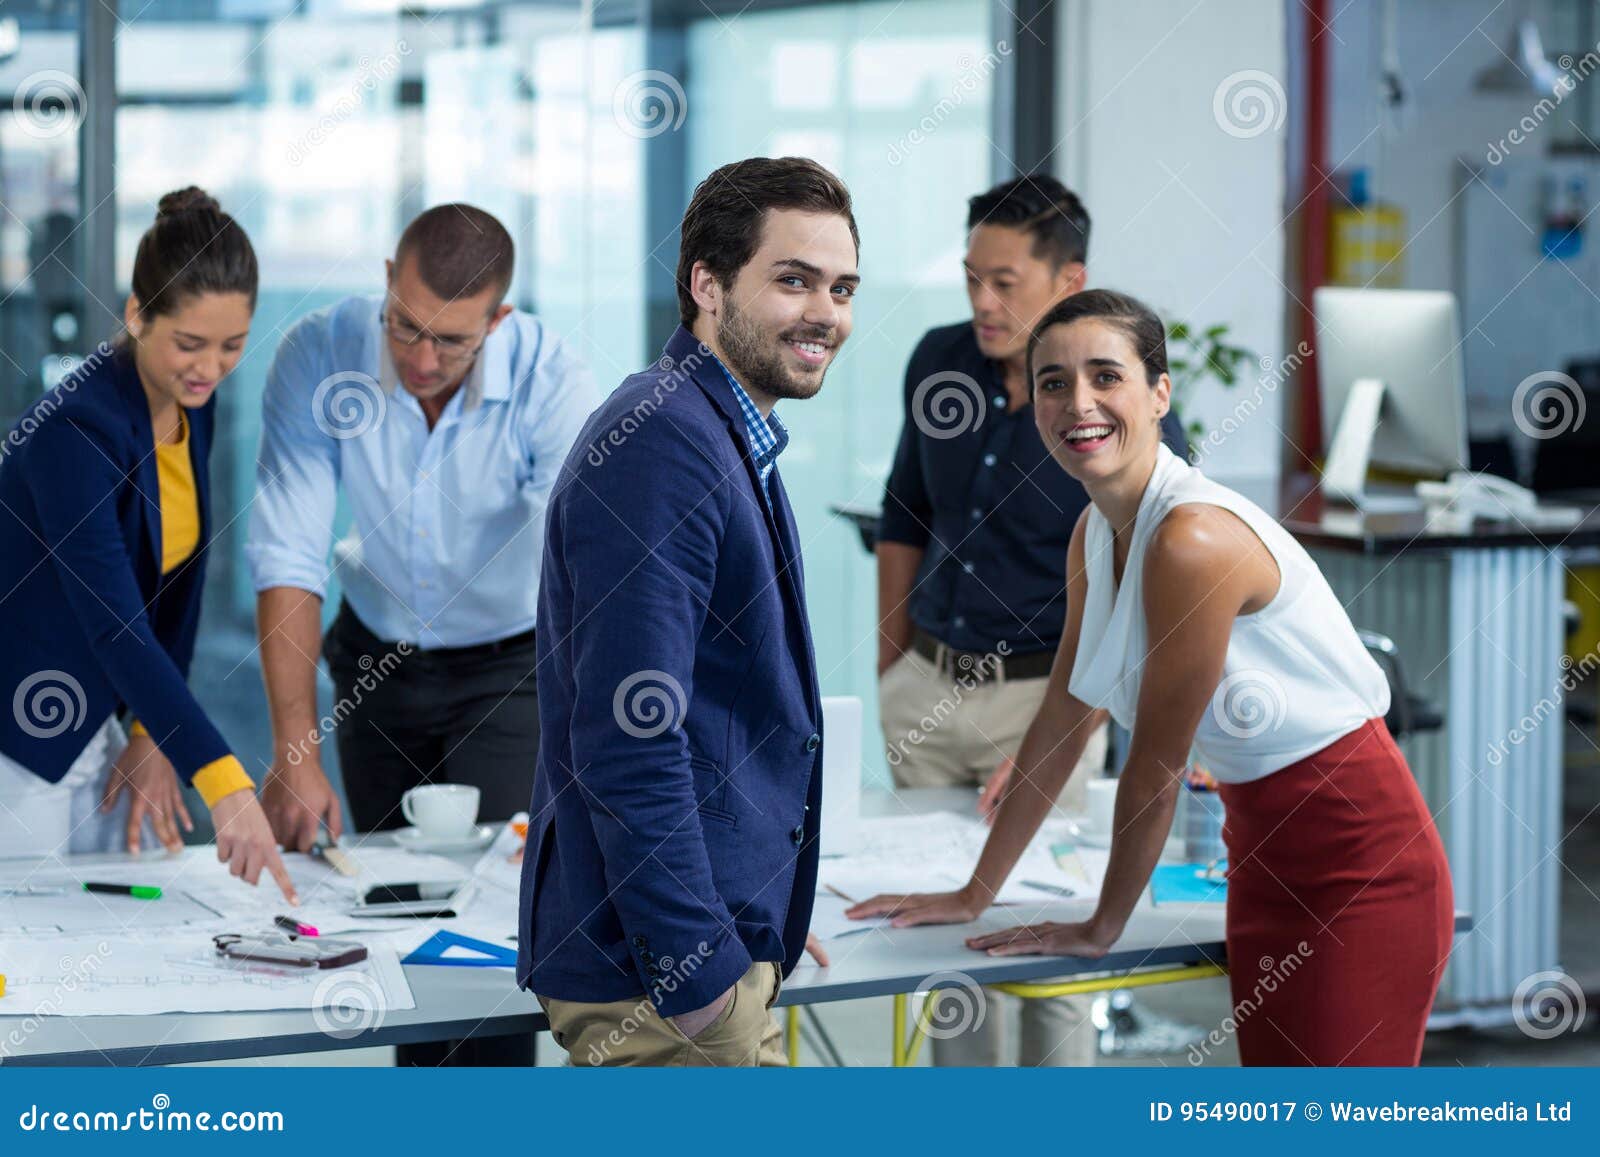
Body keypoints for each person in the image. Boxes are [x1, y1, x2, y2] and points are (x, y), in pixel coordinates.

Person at [852, 289, 1454, 1066]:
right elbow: (1065, 715)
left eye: (1107, 376)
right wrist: (977, 891)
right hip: (1261, 860)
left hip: (1359, 863)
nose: (1080, 402)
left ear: (1159, 393)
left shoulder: (1191, 539)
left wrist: (1102, 927)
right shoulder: (1094, 530)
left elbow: (1157, 766)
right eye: (1054, 382)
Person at [518, 156, 857, 1066]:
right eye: (794, 280)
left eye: (841, 288)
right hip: (662, 982)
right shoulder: (662, 444)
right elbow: (629, 735)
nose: (825, 313)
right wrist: (703, 976)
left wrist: (759, 912)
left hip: (706, 949)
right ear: (708, 285)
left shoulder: (715, 429)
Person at [246, 203, 596, 1067]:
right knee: (399, 927)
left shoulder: (550, 377)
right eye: (404, 325)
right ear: (386, 283)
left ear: (498, 321)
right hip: (378, 661)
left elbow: (584, 566)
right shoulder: (318, 354)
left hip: (511, 666)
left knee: (498, 926)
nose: (422, 359)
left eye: (452, 341)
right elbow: (289, 551)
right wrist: (294, 750)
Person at [875, 175, 1187, 1067]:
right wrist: (894, 668)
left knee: (1050, 952)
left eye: (1004, 282)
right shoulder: (939, 360)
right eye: (972, 277)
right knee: (942, 951)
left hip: (1048, 700)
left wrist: (1054, 744)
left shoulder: (1112, 415)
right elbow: (903, 515)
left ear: (1068, 279)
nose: (982, 301)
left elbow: (1145, 594)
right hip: (927, 688)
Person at [0, 188, 297, 903]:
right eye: (190, 344)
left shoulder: (192, 404)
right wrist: (222, 780)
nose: (210, 367)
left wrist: (148, 732)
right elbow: (116, 622)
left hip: (99, 724)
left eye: (231, 346)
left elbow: (178, 589)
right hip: (19, 737)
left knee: (115, 926)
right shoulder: (73, 430)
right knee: (24, 945)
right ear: (137, 314)